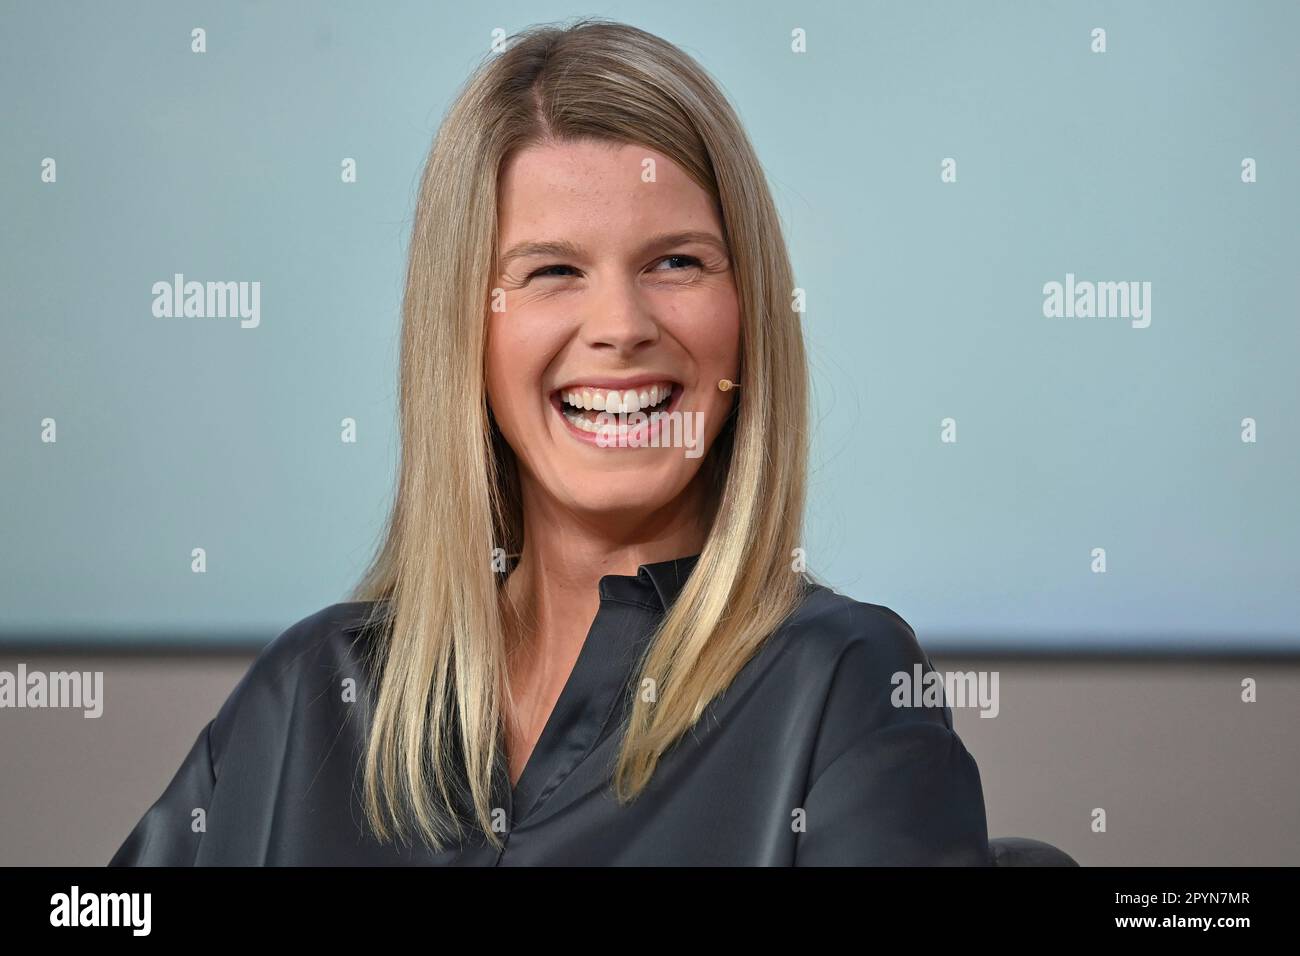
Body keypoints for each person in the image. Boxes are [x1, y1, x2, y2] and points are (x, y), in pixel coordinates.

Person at [108, 17, 991, 866]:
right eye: (553, 272)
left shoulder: (841, 684)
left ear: (749, 313)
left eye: (676, 262)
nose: (619, 326)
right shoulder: (308, 693)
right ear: (465, 333)